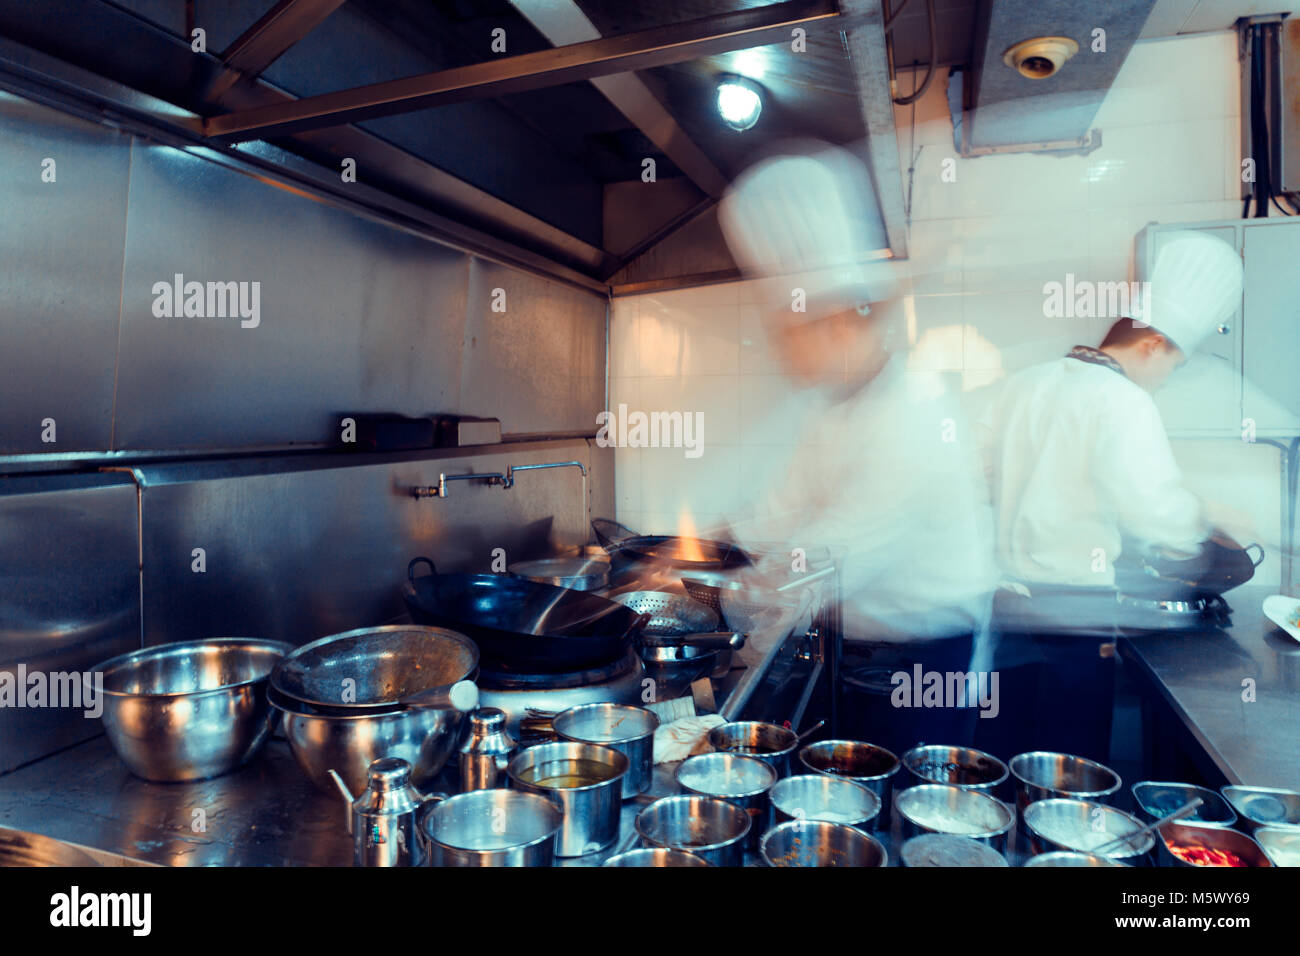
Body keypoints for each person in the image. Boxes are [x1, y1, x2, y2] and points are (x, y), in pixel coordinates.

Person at [717, 143, 997, 757]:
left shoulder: (912, 411)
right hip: (855, 653)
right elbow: (779, 511)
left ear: (840, 323)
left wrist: (728, 594)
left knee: (902, 803)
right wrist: (706, 546)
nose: (782, 353)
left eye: (790, 334)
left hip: (924, 670)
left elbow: (826, 557)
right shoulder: (833, 406)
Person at [976, 231, 1245, 763]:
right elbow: (1159, 515)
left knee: (1000, 762)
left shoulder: (1023, 384)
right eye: (1172, 366)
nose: (1164, 381)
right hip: (1075, 622)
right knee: (1069, 772)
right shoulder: (1124, 401)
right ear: (1152, 344)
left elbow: (979, 477)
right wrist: (1206, 519)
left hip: (1004, 612)